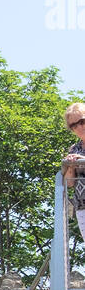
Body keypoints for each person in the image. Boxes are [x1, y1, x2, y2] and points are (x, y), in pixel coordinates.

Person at [62, 103, 85, 240]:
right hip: (82, 206)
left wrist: (82, 159)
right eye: (74, 125)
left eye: (82, 121)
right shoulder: (74, 149)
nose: (79, 127)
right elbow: (69, 183)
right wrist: (71, 165)